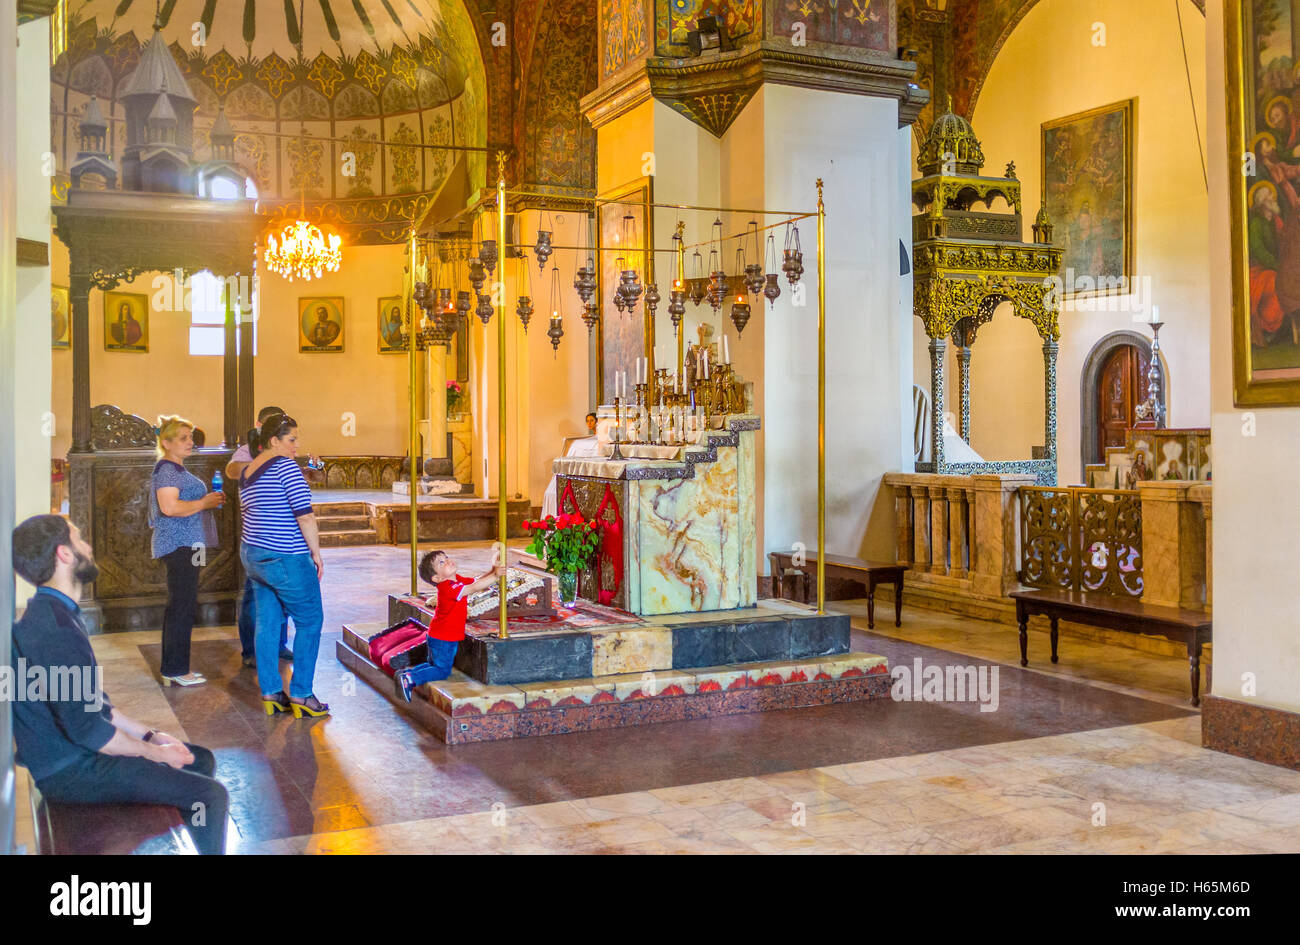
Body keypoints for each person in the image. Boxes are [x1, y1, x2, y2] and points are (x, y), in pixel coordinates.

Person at [10, 514, 229, 854]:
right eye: (79, 539)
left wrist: (151, 735)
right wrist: (155, 754)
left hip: (74, 757)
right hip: (69, 771)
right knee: (211, 795)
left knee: (198, 759)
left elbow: (99, 707)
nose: (88, 546)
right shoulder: (55, 630)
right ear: (64, 555)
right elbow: (90, 733)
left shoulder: (54, 611)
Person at [238, 413, 329, 718]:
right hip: (285, 557)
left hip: (254, 555)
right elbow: (304, 515)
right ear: (274, 440)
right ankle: (302, 694)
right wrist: (316, 553)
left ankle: (272, 693)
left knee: (268, 623)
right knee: (310, 621)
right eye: (291, 440)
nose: (296, 446)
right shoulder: (286, 467)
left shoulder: (248, 470)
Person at [149, 415, 223, 687]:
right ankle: (175, 669)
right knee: (181, 605)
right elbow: (169, 508)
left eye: (190, 437)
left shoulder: (178, 469)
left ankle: (177, 667)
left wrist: (207, 502)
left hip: (191, 544)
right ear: (166, 443)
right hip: (178, 544)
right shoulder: (167, 470)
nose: (190, 442)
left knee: (185, 603)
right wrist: (204, 502)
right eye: (183, 438)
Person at [226, 405, 293, 667]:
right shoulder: (248, 450)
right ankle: (251, 652)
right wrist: (269, 460)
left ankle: (279, 646)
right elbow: (232, 470)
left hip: (284, 533)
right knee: (254, 596)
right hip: (258, 534)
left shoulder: (286, 448)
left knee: (282, 594)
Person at [395, 546, 502, 702]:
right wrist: (496, 576)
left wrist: (493, 571)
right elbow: (473, 588)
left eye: (446, 557)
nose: (447, 561)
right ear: (437, 579)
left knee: (433, 664)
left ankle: (406, 674)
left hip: (439, 635)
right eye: (441, 563)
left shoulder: (456, 580)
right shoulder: (447, 588)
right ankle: (410, 679)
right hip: (444, 637)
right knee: (441, 670)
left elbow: (477, 581)